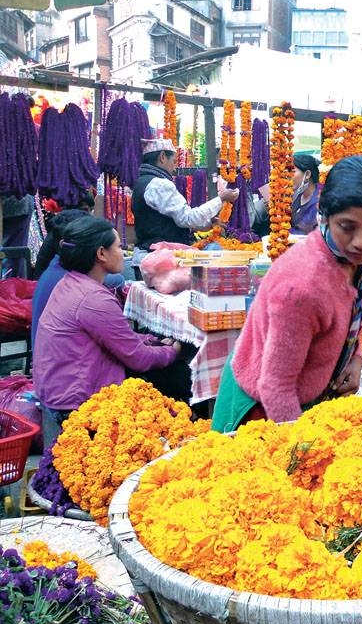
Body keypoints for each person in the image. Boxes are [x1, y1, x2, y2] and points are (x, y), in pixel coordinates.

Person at [211, 155, 362, 431]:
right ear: (325, 214)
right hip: (260, 406)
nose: (361, 242)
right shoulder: (301, 288)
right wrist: (305, 451)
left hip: (307, 394)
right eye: (346, 227)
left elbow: (357, 308)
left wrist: (355, 357)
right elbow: (275, 387)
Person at [32, 216, 182, 446]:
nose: (123, 252)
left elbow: (117, 337)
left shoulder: (71, 283)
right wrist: (173, 351)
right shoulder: (93, 299)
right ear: (101, 254)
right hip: (76, 402)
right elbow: (138, 358)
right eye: (119, 246)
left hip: (58, 392)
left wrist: (151, 339)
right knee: (175, 379)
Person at [31, 209, 125, 351]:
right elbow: (131, 352)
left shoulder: (60, 269)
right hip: (66, 367)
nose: (122, 252)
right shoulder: (83, 290)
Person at [131, 138, 239, 251]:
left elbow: (174, 220)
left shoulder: (142, 182)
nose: (174, 168)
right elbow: (187, 218)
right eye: (174, 162)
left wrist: (209, 223)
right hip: (159, 258)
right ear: (162, 157)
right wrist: (221, 198)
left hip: (147, 255)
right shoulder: (160, 185)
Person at [290, 154, 321, 235]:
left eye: (292, 171)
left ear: (307, 174)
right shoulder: (297, 195)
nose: (287, 176)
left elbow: (302, 231)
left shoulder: (319, 201)